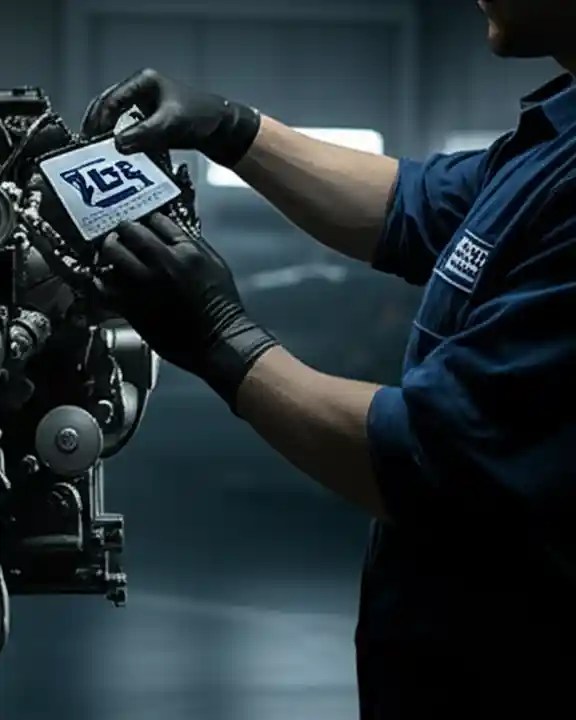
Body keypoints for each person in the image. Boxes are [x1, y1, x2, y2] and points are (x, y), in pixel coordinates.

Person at [81, 1, 576, 716]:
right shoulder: (556, 138)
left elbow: (434, 458)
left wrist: (222, 340)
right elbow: (410, 205)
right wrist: (233, 129)